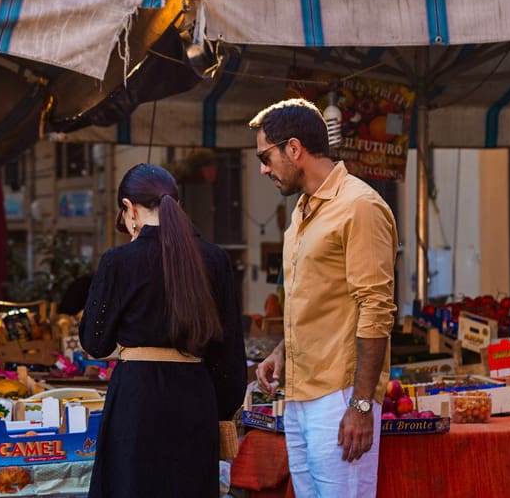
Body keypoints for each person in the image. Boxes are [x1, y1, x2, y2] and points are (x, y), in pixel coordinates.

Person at [250, 99, 398, 498]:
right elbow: (316, 302)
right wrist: (282, 350)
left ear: (294, 149)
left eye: (267, 157)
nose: (264, 169)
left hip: (341, 395)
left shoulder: (359, 206)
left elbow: (376, 308)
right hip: (300, 394)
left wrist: (362, 405)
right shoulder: (302, 210)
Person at [79, 163, 246, 498]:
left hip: (136, 400)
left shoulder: (118, 261)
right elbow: (229, 359)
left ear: (129, 208)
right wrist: (217, 410)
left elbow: (95, 343)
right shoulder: (214, 260)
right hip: (194, 401)